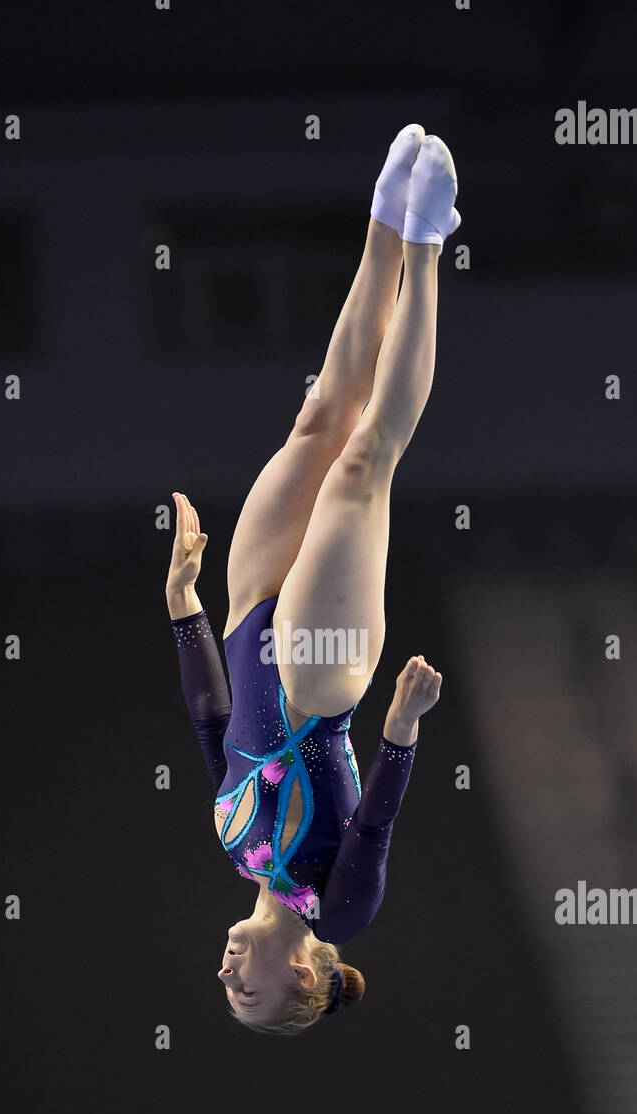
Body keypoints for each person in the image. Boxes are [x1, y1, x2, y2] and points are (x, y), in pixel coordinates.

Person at [167, 126, 460, 1034]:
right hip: (315, 682)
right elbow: (370, 832)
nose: (226, 975)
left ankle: (381, 226)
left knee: (318, 420)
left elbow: (215, 726)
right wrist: (402, 734)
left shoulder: (240, 860)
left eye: (225, 991)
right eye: (245, 990)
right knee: (363, 460)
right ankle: (427, 243)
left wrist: (183, 606)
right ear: (301, 979)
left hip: (245, 613)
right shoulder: (334, 914)